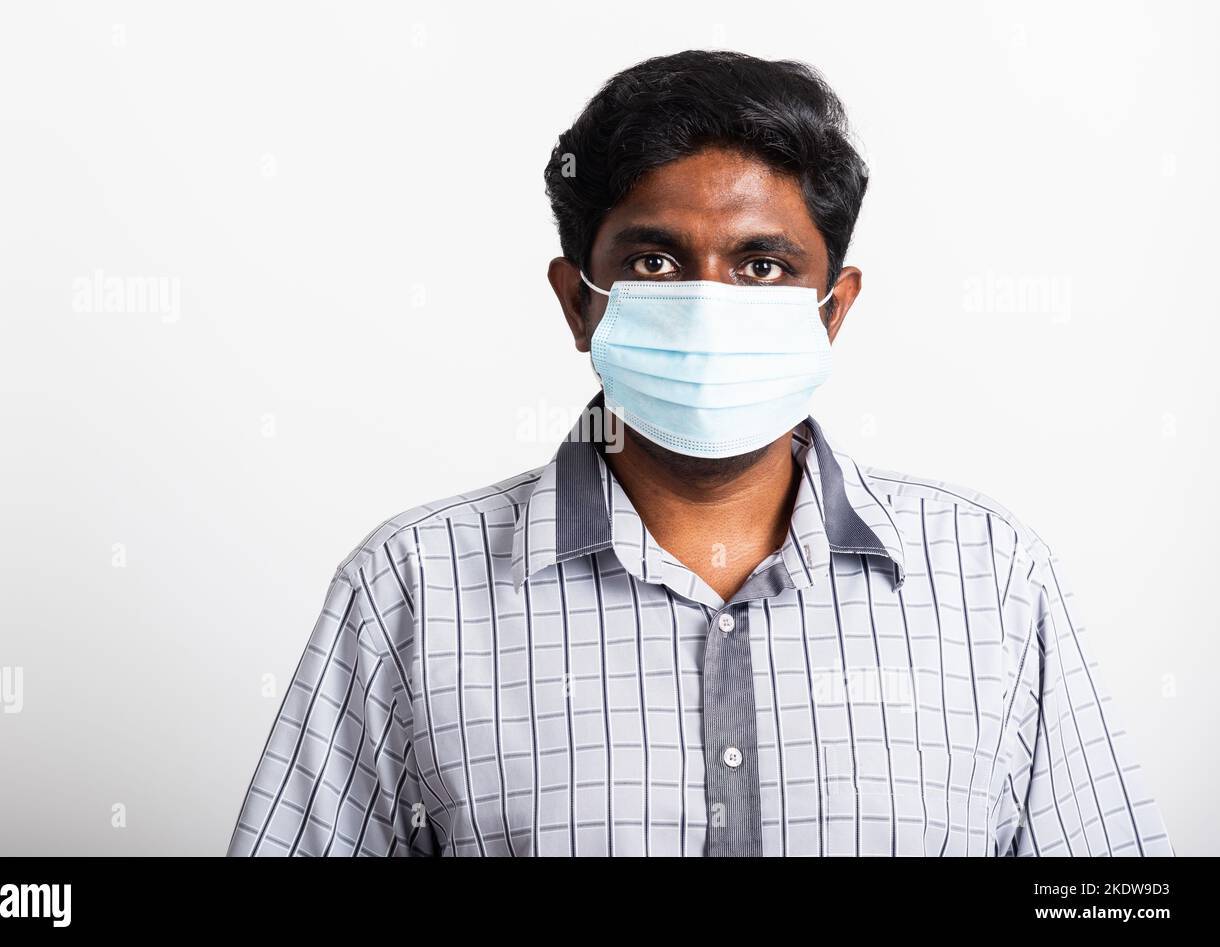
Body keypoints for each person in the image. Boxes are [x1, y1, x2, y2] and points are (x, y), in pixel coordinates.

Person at [227, 50, 1172, 857]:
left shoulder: (993, 580)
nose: (710, 305)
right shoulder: (409, 591)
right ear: (578, 302)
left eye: (762, 266)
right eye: (655, 263)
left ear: (833, 308)